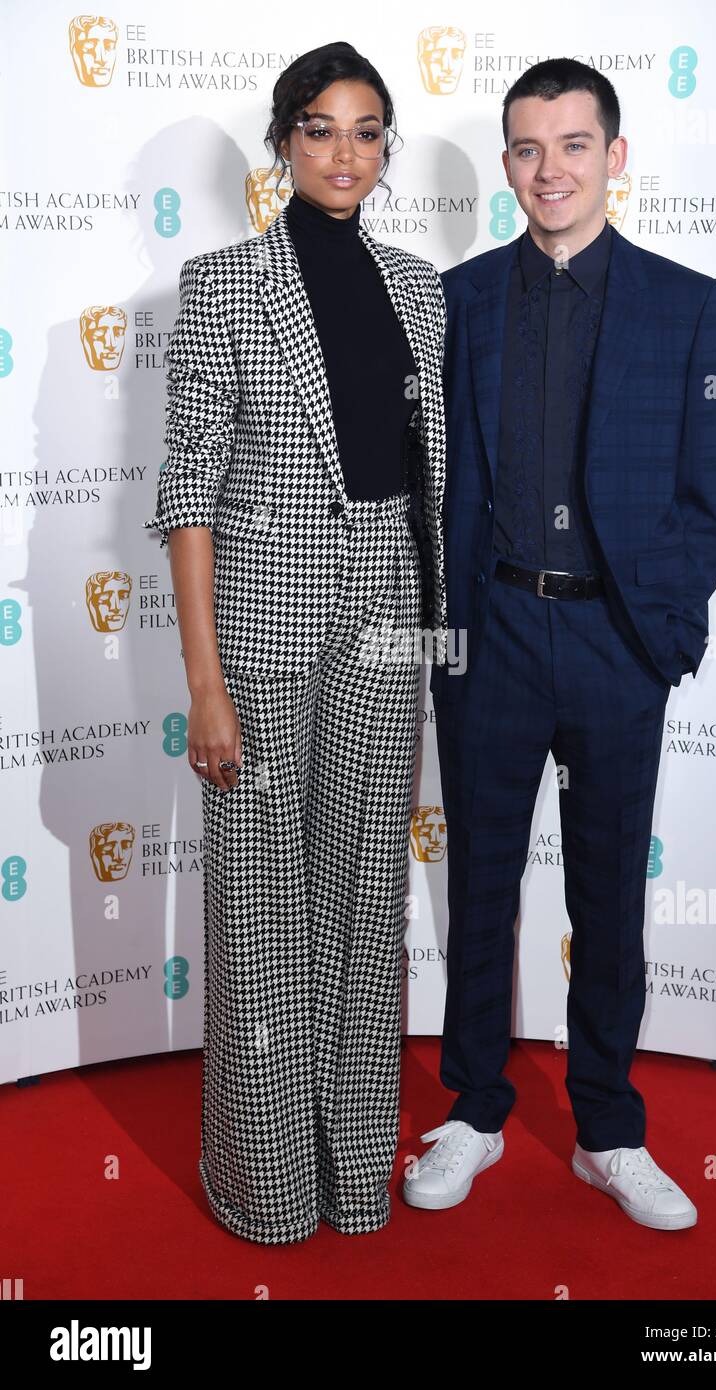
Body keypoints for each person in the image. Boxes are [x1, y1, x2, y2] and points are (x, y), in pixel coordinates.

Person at [404, 59, 716, 1230]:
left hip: (614, 641)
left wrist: (665, 634)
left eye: (574, 145)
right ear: (506, 167)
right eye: (529, 149)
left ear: (615, 156)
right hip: (488, 629)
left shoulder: (685, 300)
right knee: (479, 885)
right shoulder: (459, 298)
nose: (551, 169)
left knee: (609, 898)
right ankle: (476, 1110)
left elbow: (700, 495)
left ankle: (608, 1128)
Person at [144, 41, 447, 1244]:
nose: (344, 152)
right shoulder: (220, 283)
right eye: (319, 128)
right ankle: (266, 1184)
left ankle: (351, 1165)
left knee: (367, 898)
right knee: (264, 908)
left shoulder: (423, 287)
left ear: (386, 149)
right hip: (257, 637)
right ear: (282, 142)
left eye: (367, 130)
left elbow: (429, 482)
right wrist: (202, 682)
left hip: (388, 620)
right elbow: (187, 493)